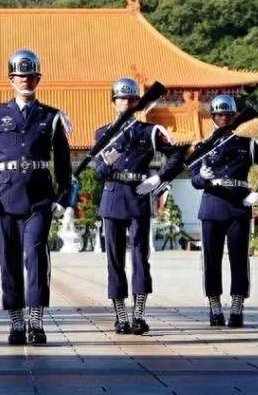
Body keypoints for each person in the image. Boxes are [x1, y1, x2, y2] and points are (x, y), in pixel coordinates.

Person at [0, 49, 72, 345]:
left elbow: (64, 166)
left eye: (31, 76)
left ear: (38, 79)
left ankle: (36, 321)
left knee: (36, 258)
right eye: (20, 76)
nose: (25, 81)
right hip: (5, 199)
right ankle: (16, 321)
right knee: (9, 261)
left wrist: (61, 198)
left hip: (39, 200)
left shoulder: (52, 117)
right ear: (11, 79)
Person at [93, 77, 185, 335]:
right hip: (112, 196)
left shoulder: (151, 131)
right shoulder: (103, 133)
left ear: (138, 103)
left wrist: (159, 177)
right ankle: (121, 315)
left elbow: (178, 155)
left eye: (131, 99)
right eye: (121, 98)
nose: (126, 102)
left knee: (140, 257)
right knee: (114, 259)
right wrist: (107, 163)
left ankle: (139, 315)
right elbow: (98, 174)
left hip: (137, 195)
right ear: (114, 103)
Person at [189, 94, 258, 328]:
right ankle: (215, 307)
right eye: (219, 115)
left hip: (239, 206)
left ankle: (237, 306)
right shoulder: (202, 146)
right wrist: (202, 178)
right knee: (211, 260)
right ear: (213, 118)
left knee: (239, 260)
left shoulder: (247, 144)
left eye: (228, 115)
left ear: (234, 117)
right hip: (212, 204)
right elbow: (193, 179)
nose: (224, 118)